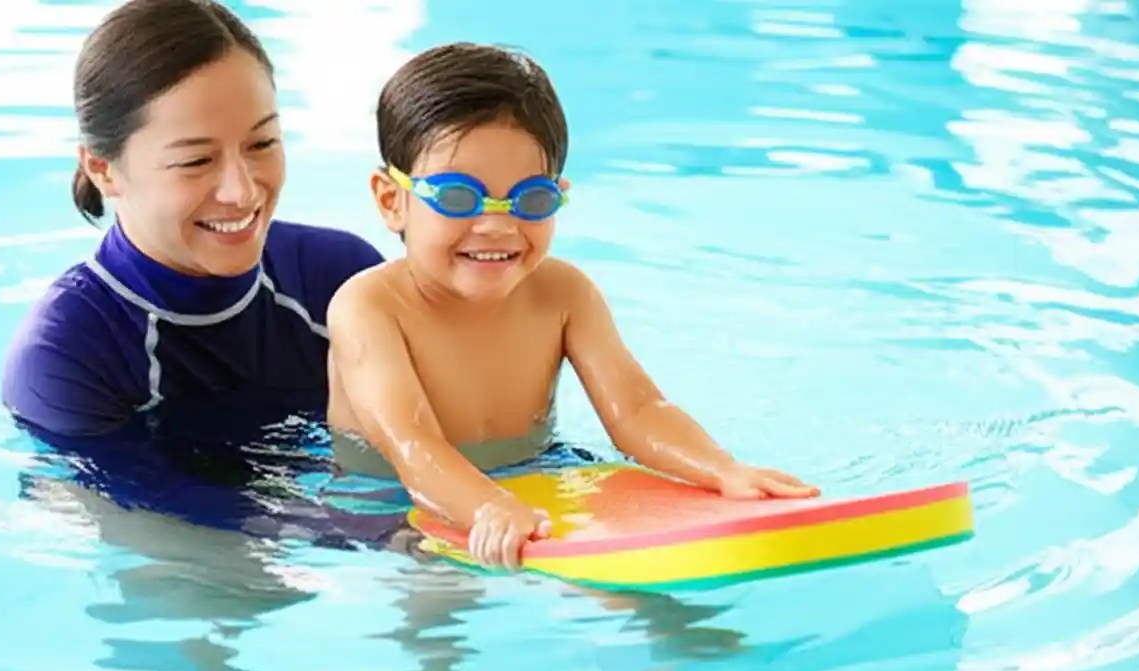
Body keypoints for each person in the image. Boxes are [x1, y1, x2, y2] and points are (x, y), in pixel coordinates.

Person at [326, 42, 820, 572]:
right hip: (384, 499)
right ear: (390, 200)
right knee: (437, 597)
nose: (497, 225)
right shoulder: (370, 306)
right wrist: (489, 506)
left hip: (542, 471)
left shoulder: (563, 293)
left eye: (531, 199)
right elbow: (411, 444)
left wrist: (723, 470)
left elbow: (637, 411)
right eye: (456, 198)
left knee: (631, 582)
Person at [0, 0, 391, 546]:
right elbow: (142, 509)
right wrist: (361, 533)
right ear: (103, 169)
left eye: (262, 144)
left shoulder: (339, 281)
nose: (242, 191)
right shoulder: (68, 353)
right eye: (195, 161)